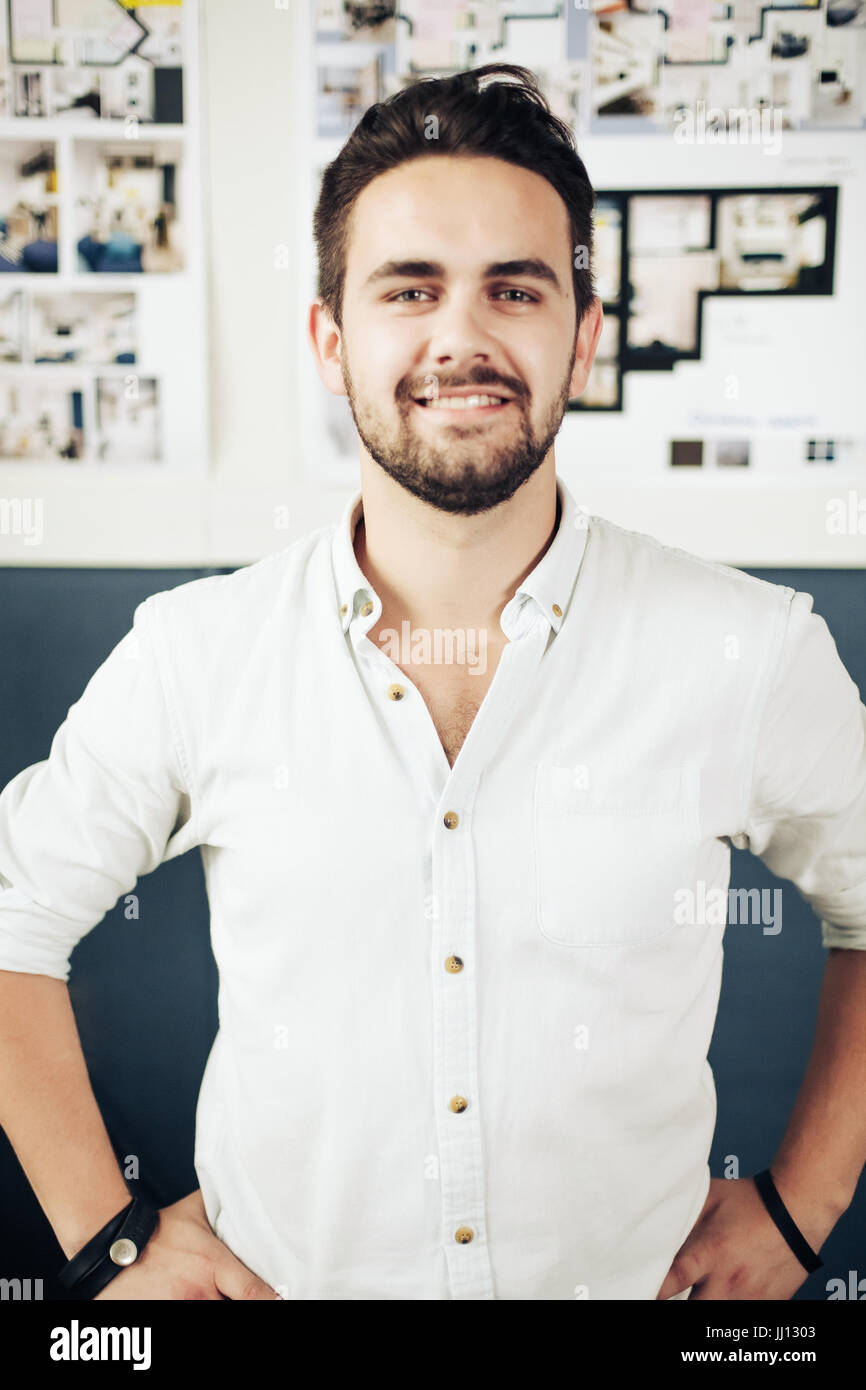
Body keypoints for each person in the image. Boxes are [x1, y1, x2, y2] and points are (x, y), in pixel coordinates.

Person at [0, 64, 864, 1302]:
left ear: (584, 335)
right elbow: (10, 913)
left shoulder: (750, 648)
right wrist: (105, 1238)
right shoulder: (196, 652)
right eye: (410, 288)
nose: (460, 335)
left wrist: (799, 1209)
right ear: (330, 339)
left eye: (514, 288)